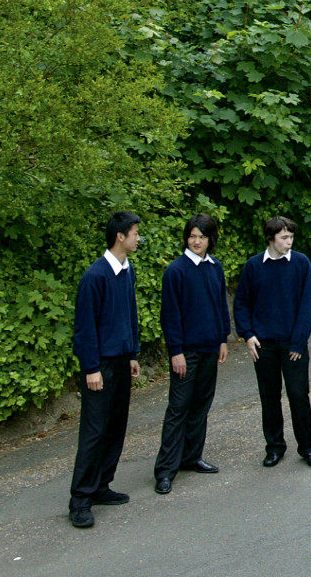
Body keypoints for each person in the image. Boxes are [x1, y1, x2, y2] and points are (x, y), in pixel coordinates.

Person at [68, 211, 143, 529]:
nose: (139, 238)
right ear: (120, 237)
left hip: (121, 360)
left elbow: (129, 314)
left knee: (115, 425)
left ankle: (101, 486)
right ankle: (80, 500)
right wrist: (91, 368)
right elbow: (84, 328)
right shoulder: (95, 276)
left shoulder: (127, 270)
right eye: (135, 233)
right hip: (100, 366)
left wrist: (132, 353)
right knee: (94, 431)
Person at [232, 216, 311, 468]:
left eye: (291, 237)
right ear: (271, 239)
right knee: (269, 397)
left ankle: (308, 447)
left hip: (293, 343)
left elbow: (308, 305)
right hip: (264, 344)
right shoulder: (254, 266)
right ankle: (274, 447)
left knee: (298, 394)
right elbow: (242, 303)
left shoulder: (301, 263)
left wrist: (298, 342)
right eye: (284, 237)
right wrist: (247, 335)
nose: (289, 242)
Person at [154, 213, 230, 495]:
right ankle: (165, 470)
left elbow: (221, 304)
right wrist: (176, 351)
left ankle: (191, 456)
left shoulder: (215, 267)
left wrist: (223, 338)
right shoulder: (176, 270)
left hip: (211, 347)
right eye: (192, 236)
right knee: (178, 409)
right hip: (186, 352)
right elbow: (169, 315)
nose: (196, 241)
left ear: (211, 240)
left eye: (202, 237)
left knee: (201, 405)